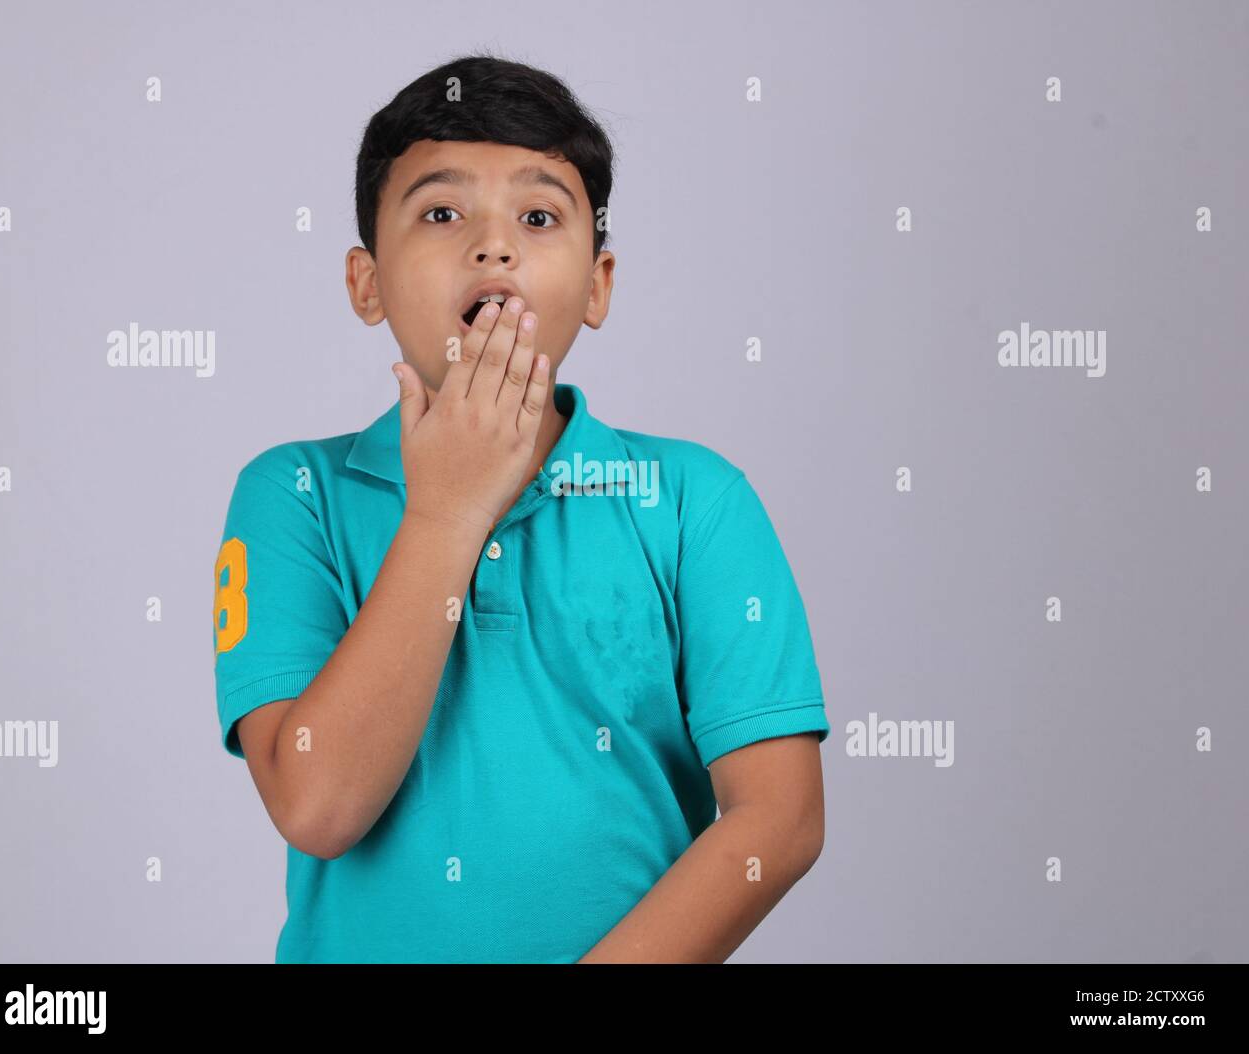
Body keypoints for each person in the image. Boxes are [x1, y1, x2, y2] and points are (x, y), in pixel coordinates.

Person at [211, 51, 829, 964]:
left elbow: (780, 819)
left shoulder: (695, 501)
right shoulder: (293, 495)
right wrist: (446, 513)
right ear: (366, 282)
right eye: (441, 213)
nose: (493, 247)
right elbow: (318, 804)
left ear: (598, 283)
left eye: (538, 217)